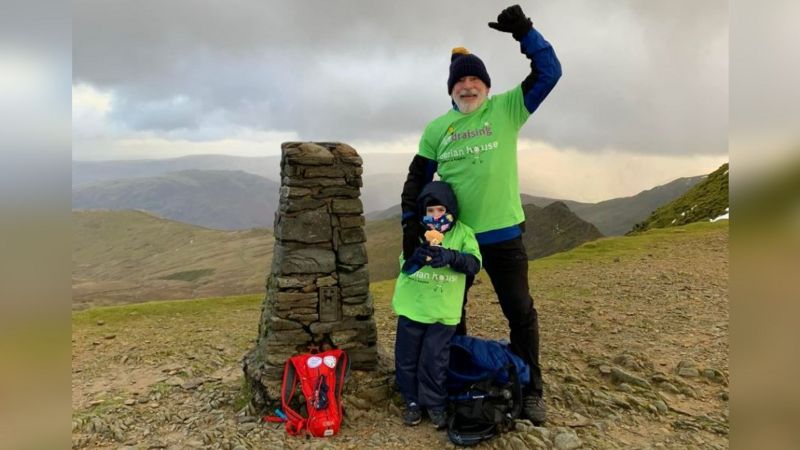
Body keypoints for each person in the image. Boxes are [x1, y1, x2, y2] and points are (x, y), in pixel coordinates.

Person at [399, 4, 562, 425]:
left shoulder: (508, 109)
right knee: (449, 317)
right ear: (451, 89)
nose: (468, 86)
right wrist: (408, 223)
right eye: (461, 81)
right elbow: (417, 179)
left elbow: (550, 73)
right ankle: (455, 381)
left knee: (519, 311)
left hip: (503, 236)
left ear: (487, 86)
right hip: (454, 241)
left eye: (476, 79)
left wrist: (526, 33)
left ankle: (532, 390)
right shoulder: (438, 129)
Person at [392, 181, 481, 429]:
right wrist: (416, 258)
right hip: (413, 308)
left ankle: (435, 403)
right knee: (407, 359)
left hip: (443, 313)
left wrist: (452, 256)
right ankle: (411, 402)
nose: (435, 216)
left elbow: (474, 264)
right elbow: (405, 269)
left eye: (440, 210)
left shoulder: (463, 233)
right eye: (430, 211)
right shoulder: (415, 234)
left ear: (450, 209)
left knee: (435, 360)